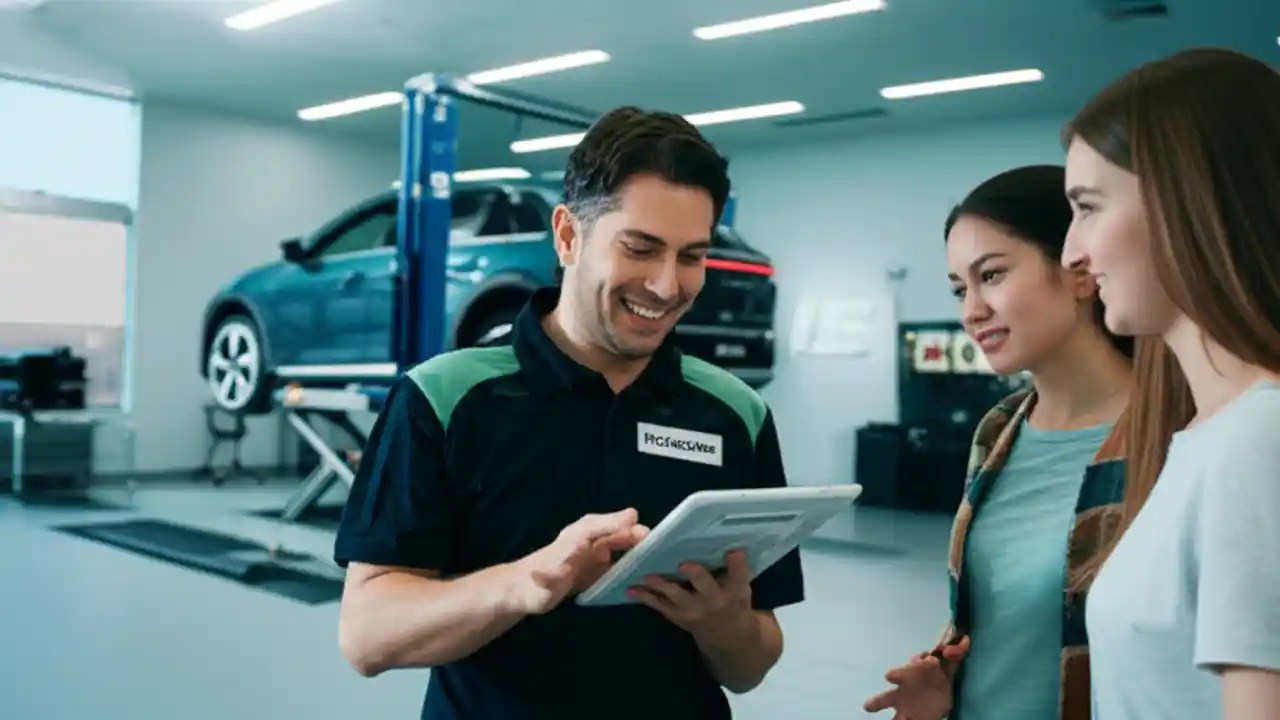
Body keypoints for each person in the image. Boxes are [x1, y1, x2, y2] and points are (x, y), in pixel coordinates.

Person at [332, 106, 805, 720]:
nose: (666, 286)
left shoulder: (735, 413)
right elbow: (367, 637)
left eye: (692, 257)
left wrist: (723, 623)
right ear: (567, 235)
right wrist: (525, 584)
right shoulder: (444, 398)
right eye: (640, 248)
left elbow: (750, 668)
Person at [864, 165, 1135, 720]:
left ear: (1079, 269)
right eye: (961, 289)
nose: (971, 311)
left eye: (991, 276)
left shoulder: (1173, 429)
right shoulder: (999, 430)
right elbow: (1007, 617)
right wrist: (944, 681)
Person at [1058, 47, 1280, 719]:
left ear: (1188, 200)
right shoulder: (1207, 439)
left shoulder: (1257, 442)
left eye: (1088, 207)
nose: (1072, 253)